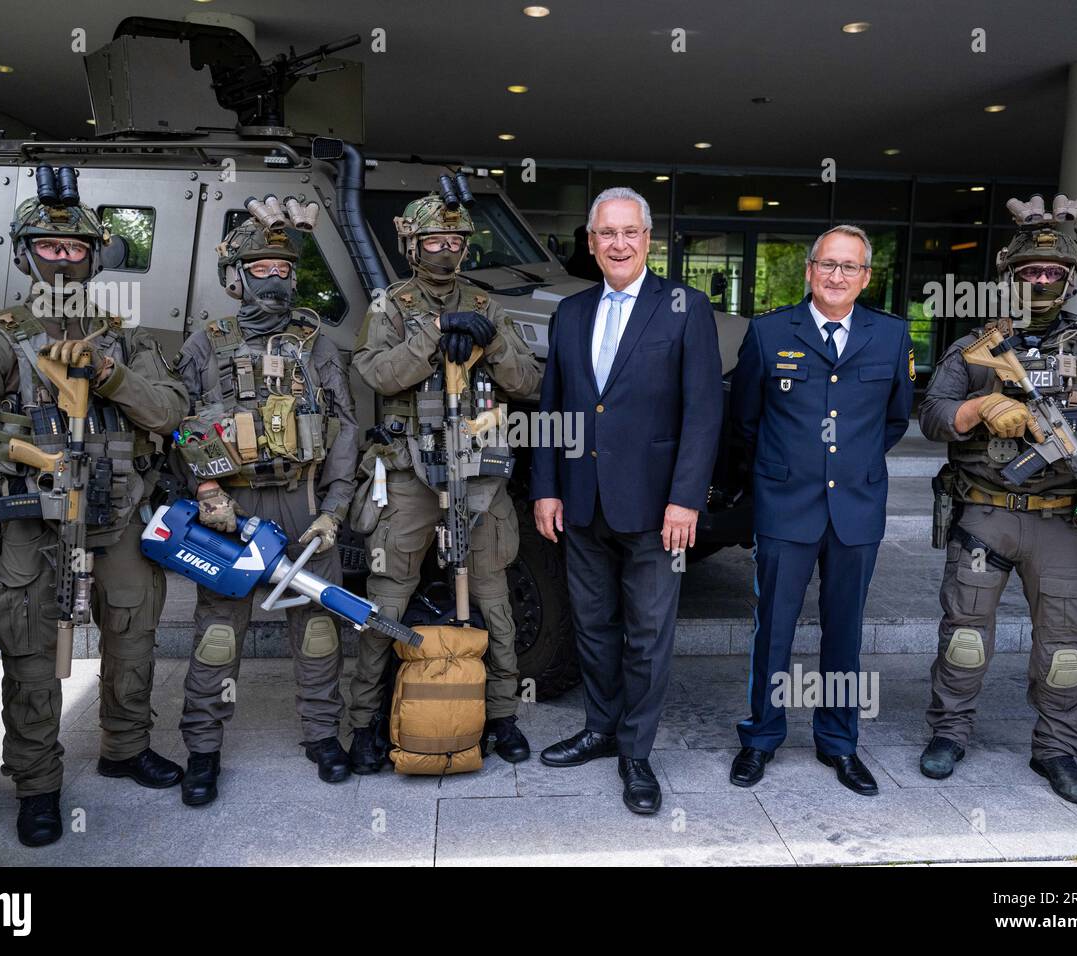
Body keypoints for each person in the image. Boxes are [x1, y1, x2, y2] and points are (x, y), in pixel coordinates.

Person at [0, 177, 188, 846]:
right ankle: (38, 783)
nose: (63, 259)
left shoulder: (127, 341)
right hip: (30, 524)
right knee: (30, 657)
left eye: (76, 247)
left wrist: (110, 376)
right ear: (24, 256)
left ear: (95, 257)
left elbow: (170, 415)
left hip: (120, 517)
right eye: (48, 245)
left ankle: (126, 748)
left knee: (133, 640)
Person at [918, 195, 1077, 805]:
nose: (1041, 281)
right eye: (1029, 273)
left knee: (1066, 647)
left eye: (1052, 273)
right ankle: (948, 733)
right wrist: (978, 407)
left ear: (1069, 279)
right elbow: (933, 416)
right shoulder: (976, 348)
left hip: (1063, 523)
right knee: (965, 637)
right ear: (1009, 278)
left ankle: (1058, 748)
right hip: (986, 514)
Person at [531, 186, 721, 814]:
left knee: (647, 634)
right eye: (605, 234)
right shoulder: (570, 312)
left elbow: (703, 414)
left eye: (629, 232)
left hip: (657, 508)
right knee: (593, 625)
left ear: (647, 239)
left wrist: (686, 500)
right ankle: (600, 728)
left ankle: (636, 753)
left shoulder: (685, 307)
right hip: (581, 503)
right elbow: (553, 408)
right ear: (590, 242)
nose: (617, 244)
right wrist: (548, 487)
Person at [346, 189, 541, 773]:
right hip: (408, 474)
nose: (446, 250)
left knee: (493, 599)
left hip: (478, 475)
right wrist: (434, 332)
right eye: (435, 240)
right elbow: (379, 375)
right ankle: (364, 722)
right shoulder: (390, 305)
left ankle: (502, 716)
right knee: (387, 597)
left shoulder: (488, 302)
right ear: (412, 245)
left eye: (456, 241)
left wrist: (489, 338)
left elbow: (528, 383)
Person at [173, 206, 358, 805]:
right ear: (237, 277)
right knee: (219, 634)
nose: (274, 278)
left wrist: (334, 510)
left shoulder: (318, 346)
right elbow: (176, 428)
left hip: (303, 505)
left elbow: (344, 434)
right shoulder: (205, 344)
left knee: (318, 630)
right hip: (231, 508)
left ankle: (323, 736)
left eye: (283, 267)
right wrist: (207, 493)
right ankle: (203, 749)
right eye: (261, 267)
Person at [728, 224, 913, 796]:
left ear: (865, 277)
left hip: (856, 508)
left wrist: (848, 469)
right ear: (809, 270)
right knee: (773, 630)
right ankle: (760, 738)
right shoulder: (767, 332)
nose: (837, 276)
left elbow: (894, 420)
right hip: (787, 506)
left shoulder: (891, 336)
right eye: (827, 265)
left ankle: (839, 743)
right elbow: (745, 422)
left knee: (845, 632)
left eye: (849, 267)